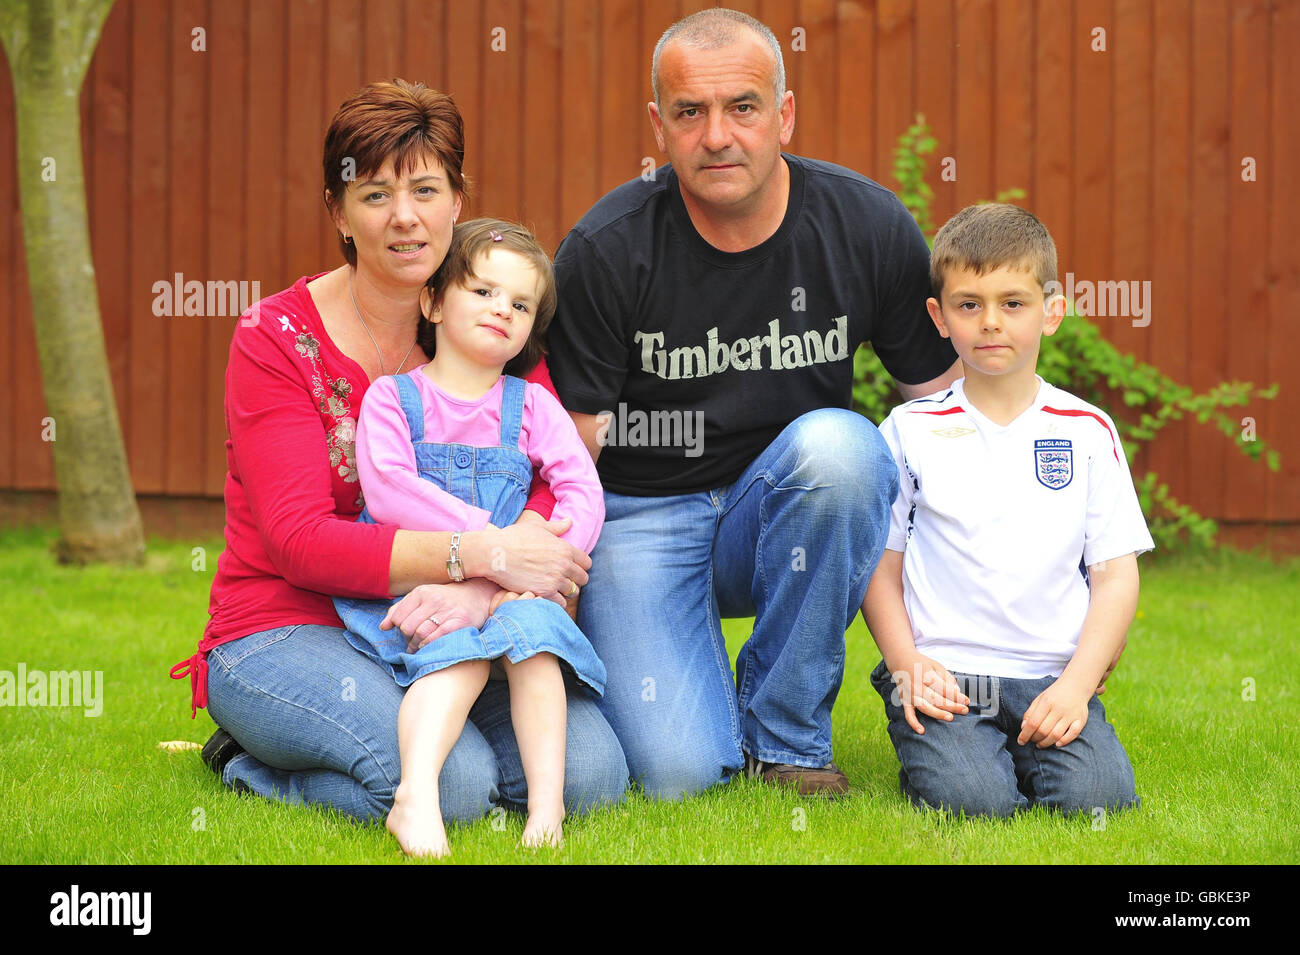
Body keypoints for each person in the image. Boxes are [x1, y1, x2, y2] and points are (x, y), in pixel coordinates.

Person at [170, 79, 627, 826]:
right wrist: (481, 553)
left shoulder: (487, 316)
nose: (405, 217)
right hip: (290, 623)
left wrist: (489, 583)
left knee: (590, 775)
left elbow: (551, 481)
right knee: (455, 786)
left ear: (457, 199)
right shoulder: (275, 339)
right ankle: (248, 760)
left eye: (424, 188)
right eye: (375, 194)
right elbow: (298, 540)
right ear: (338, 213)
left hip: (460, 616)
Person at [545, 8, 962, 800]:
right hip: (642, 517)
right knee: (680, 773)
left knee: (847, 449)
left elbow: (943, 416)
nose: (717, 136)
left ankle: (787, 737)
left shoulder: (865, 225)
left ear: (785, 113)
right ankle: (619, 685)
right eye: (689, 112)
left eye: (742, 106)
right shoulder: (609, 246)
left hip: (777, 511)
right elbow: (571, 455)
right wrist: (543, 600)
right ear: (658, 124)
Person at [860, 203, 1152, 817]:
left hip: (1051, 675)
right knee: (976, 804)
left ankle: (1033, 745)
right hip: (946, 676)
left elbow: (1115, 575)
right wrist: (906, 662)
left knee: (1099, 800)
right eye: (969, 304)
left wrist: (1076, 686)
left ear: (1053, 310)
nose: (991, 322)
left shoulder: (1087, 431)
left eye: (1013, 303)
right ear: (939, 318)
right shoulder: (909, 430)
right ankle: (954, 752)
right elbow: (879, 568)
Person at [334, 218, 607, 856]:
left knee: (535, 646)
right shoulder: (393, 400)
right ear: (432, 301)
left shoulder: (533, 408)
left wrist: (549, 564)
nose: (501, 311)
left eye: (520, 304)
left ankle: (547, 812)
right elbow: (390, 491)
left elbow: (581, 491)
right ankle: (416, 797)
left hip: (513, 588)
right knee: (458, 657)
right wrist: (501, 548)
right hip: (428, 581)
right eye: (483, 291)